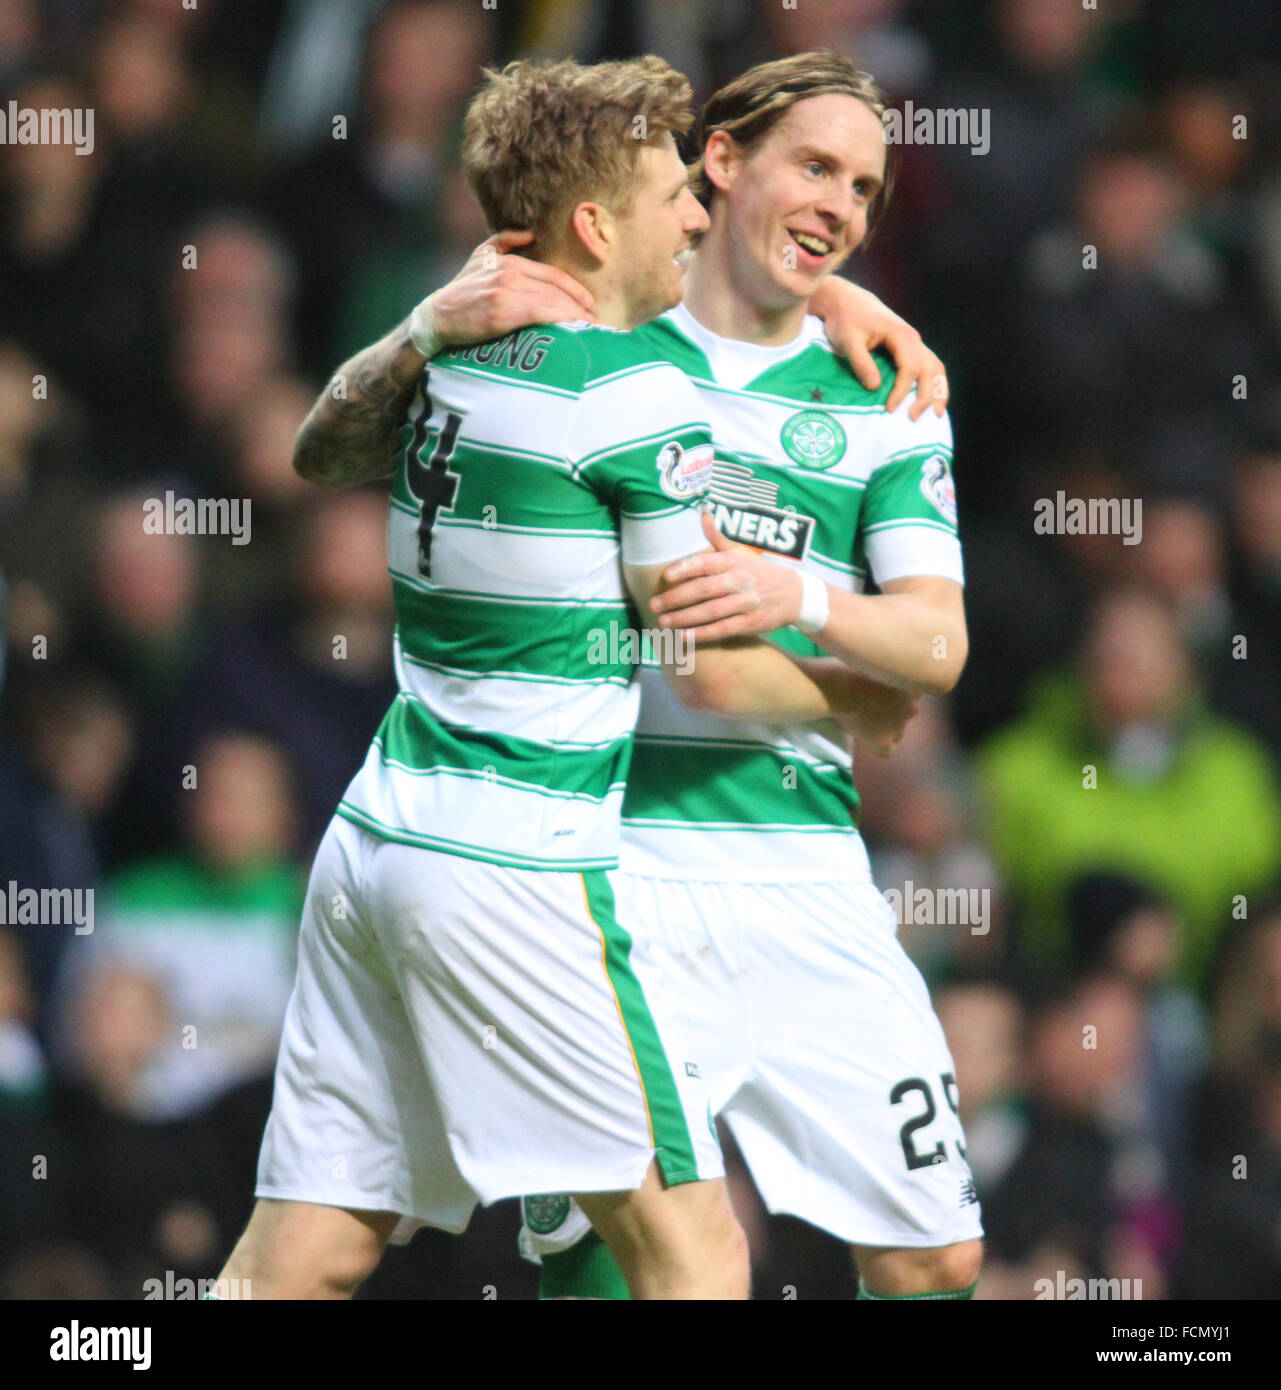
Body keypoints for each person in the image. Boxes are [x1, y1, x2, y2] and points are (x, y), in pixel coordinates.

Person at [218, 55, 886, 1302]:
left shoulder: (454, 341)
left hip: (378, 837)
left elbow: (319, 450)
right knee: (696, 1255)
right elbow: (714, 658)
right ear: (595, 223)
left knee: (298, 1258)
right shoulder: (629, 393)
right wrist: (866, 692)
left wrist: (840, 302)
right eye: (673, 193)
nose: (697, 215)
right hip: (516, 866)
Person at [428, 51, 983, 1299]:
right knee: (639, 1265)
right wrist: (861, 689)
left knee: (938, 1255)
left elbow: (940, 644)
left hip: (808, 873)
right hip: (613, 869)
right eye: (815, 167)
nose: (842, 206)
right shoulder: (606, 352)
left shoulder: (885, 392)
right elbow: (720, 672)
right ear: (719, 166)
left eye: (865, 190)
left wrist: (802, 596)